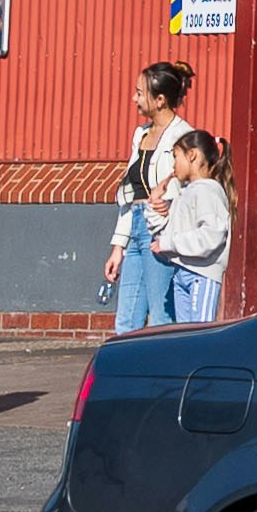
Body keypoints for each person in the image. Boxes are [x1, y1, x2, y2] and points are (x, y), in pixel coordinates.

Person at [101, 59, 194, 337]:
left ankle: (164, 376)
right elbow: (130, 193)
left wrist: (170, 209)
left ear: (160, 100)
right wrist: (118, 246)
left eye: (140, 93)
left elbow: (190, 187)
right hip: (136, 230)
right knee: (126, 318)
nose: (134, 99)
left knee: (161, 315)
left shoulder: (183, 135)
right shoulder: (139, 134)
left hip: (161, 233)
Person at [142, 128, 232, 327]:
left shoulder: (208, 192)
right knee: (185, 335)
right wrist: (154, 203)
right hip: (182, 271)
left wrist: (169, 243)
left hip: (202, 275)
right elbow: (167, 229)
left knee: (200, 334)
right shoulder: (186, 193)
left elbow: (211, 235)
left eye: (176, 156)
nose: (173, 164)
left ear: (192, 155)